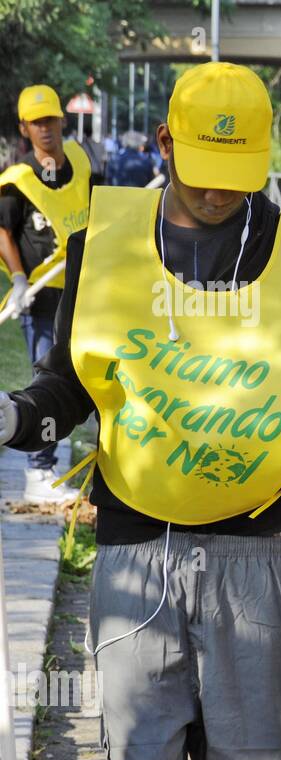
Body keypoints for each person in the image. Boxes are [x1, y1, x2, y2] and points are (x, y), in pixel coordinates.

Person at [0, 63, 281, 760]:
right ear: (167, 144)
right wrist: (18, 414)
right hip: (136, 551)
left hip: (253, 557)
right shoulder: (104, 241)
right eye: (203, 176)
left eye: (236, 179)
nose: (217, 196)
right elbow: (71, 381)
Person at [0, 84, 99, 502]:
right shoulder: (17, 181)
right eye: (37, 123)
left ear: (62, 121)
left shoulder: (79, 158)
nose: (46, 129)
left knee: (77, 370)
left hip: (81, 290)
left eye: (51, 120)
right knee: (49, 376)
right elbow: (3, 232)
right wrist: (19, 278)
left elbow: (99, 207)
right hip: (39, 298)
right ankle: (38, 474)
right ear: (25, 128)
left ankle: (51, 466)